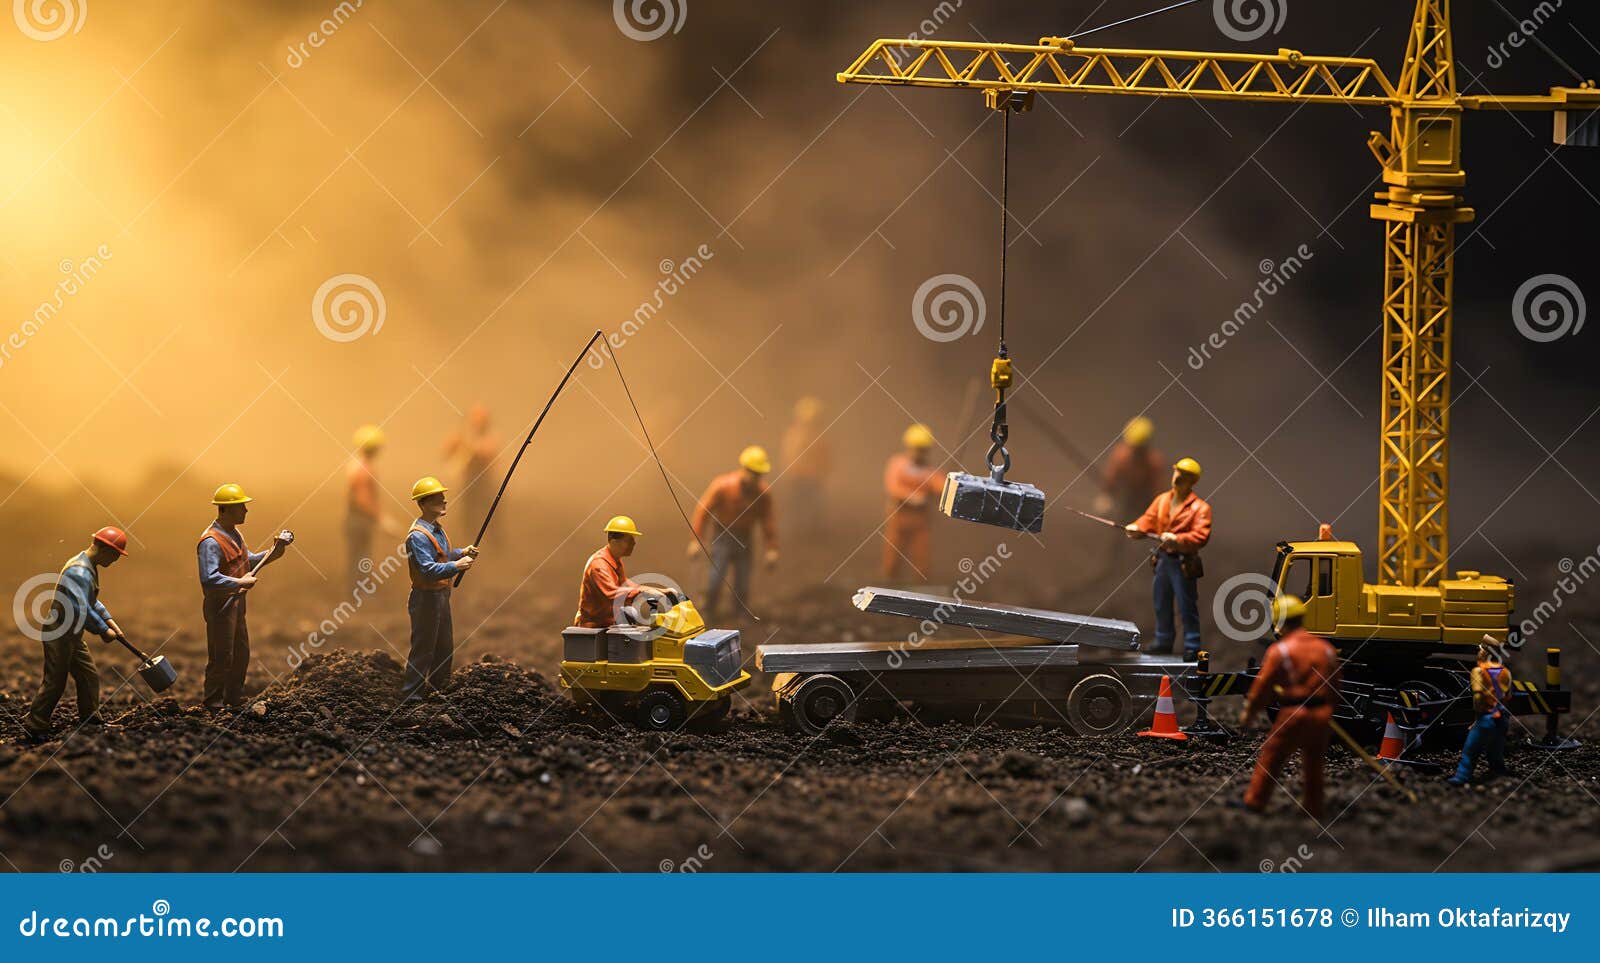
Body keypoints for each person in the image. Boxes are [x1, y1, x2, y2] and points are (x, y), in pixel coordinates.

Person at [1238, 595, 1341, 819]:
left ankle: (1255, 801)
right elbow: (1335, 684)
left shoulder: (1281, 651)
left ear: (1281, 622)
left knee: (1272, 756)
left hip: (1294, 713)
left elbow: (1262, 686)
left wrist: (1250, 711)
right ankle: (1313, 808)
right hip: (1321, 713)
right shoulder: (1325, 649)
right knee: (1314, 763)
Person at [22, 528, 129, 742]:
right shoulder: (79, 571)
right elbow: (82, 609)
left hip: (72, 632)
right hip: (59, 633)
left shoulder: (87, 566)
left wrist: (109, 621)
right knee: (55, 681)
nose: (115, 560)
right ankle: (35, 725)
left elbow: (91, 601)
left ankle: (90, 719)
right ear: (106, 550)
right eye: (116, 555)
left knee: (88, 674)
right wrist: (102, 630)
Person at [199, 484, 289, 709]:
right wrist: (239, 582)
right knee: (222, 656)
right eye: (241, 507)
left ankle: (233, 698)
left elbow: (246, 562)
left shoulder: (234, 534)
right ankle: (213, 702)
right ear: (225, 510)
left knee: (241, 653)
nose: (246, 511)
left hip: (237, 604)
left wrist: (274, 552)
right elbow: (209, 579)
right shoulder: (210, 542)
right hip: (221, 606)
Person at [401, 476, 478, 704]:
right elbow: (427, 569)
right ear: (423, 504)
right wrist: (456, 566)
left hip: (442, 596)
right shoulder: (417, 536)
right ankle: (411, 695)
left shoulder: (436, 529)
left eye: (443, 498)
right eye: (437, 499)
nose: (444, 502)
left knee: (444, 646)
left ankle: (437, 690)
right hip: (426, 598)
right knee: (424, 647)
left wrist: (462, 552)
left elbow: (442, 556)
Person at [1125, 457, 1212, 659]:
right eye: (1178, 472)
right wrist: (1136, 528)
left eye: (1185, 475)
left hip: (1183, 563)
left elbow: (1201, 536)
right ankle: (1163, 640)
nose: (1179, 477)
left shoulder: (1200, 508)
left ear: (1193, 481)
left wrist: (1177, 539)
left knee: (1186, 605)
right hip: (1163, 560)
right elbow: (1148, 520)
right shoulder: (1162, 500)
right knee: (1161, 602)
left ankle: (1192, 645)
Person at [690, 445, 779, 618]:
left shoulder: (763, 494)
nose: (756, 478)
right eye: (753, 473)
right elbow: (703, 511)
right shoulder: (723, 486)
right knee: (716, 577)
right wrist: (696, 540)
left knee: (743, 580)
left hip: (745, 538)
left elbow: (768, 520)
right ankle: (710, 609)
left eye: (759, 474)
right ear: (744, 469)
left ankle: (740, 614)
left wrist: (772, 548)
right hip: (722, 536)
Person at [881, 423, 947, 582]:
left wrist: (950, 483)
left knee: (921, 552)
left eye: (923, 449)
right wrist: (913, 496)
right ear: (909, 446)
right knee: (893, 550)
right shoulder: (897, 464)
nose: (919, 453)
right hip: (899, 515)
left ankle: (920, 583)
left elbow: (941, 486)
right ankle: (889, 579)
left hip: (920, 519)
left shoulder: (929, 471)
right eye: (917, 448)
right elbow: (892, 486)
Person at [575, 515, 667, 628]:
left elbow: (626, 584)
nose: (633, 544)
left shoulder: (615, 561)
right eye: (629, 540)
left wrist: (660, 591)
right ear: (614, 542)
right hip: (593, 628)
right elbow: (612, 595)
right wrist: (642, 592)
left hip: (608, 623)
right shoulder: (598, 565)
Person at [1448, 638, 1514, 786]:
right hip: (1501, 716)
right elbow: (1508, 697)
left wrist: (1477, 719)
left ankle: (1462, 777)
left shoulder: (1479, 671)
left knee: (1470, 750)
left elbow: (1478, 697)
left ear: (1484, 652)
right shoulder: (1506, 672)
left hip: (1486, 716)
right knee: (1495, 749)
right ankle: (1498, 772)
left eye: (1480, 650)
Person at [345, 424, 397, 591]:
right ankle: (359, 593)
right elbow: (363, 499)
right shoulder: (363, 469)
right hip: (359, 519)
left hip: (355, 518)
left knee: (359, 556)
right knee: (361, 558)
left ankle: (357, 591)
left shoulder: (355, 465)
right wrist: (382, 519)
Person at [780, 396, 831, 543]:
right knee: (797, 504)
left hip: (813, 476)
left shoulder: (819, 436)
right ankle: (797, 530)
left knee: (813, 504)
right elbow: (789, 454)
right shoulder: (794, 435)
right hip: (798, 476)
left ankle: (812, 530)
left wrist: (823, 470)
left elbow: (824, 456)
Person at [443, 402, 501, 531]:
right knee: (468, 517)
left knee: (490, 517)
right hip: (468, 483)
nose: (477, 422)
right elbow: (446, 454)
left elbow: (487, 452)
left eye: (480, 418)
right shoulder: (462, 436)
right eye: (475, 418)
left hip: (486, 485)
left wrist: (467, 445)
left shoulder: (490, 437)